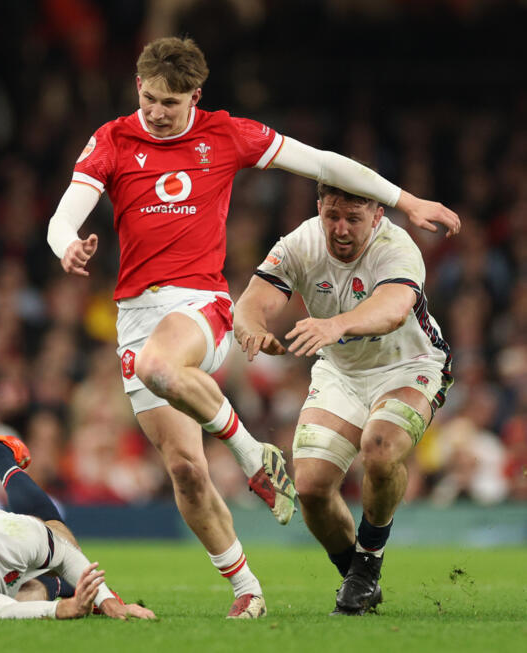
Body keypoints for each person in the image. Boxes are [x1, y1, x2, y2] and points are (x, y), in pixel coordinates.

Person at [45, 36, 459, 618]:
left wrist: (407, 199)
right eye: (151, 99)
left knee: (161, 367)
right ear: (138, 87)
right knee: (186, 472)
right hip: (134, 315)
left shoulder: (226, 134)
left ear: (196, 95)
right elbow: (66, 212)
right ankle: (248, 591)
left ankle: (249, 454)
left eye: (171, 102)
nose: (158, 112)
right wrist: (67, 246)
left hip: (198, 305)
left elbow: (322, 163)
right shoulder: (113, 139)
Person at [233, 182, 455, 615]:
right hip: (342, 371)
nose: (340, 228)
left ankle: (366, 570)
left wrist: (337, 325)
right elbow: (252, 301)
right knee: (312, 488)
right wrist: (252, 326)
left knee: (380, 447)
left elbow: (391, 310)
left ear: (376, 216)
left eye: (353, 218)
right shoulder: (301, 242)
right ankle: (357, 578)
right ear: (319, 208)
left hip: (410, 365)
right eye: (332, 215)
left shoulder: (397, 246)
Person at [0, 431, 156, 620]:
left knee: (59, 536)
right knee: (24, 600)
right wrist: (61, 607)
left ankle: (0, 456)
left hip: (5, 533)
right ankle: (62, 588)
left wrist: (108, 600)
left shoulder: (9, 534)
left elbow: (66, 554)